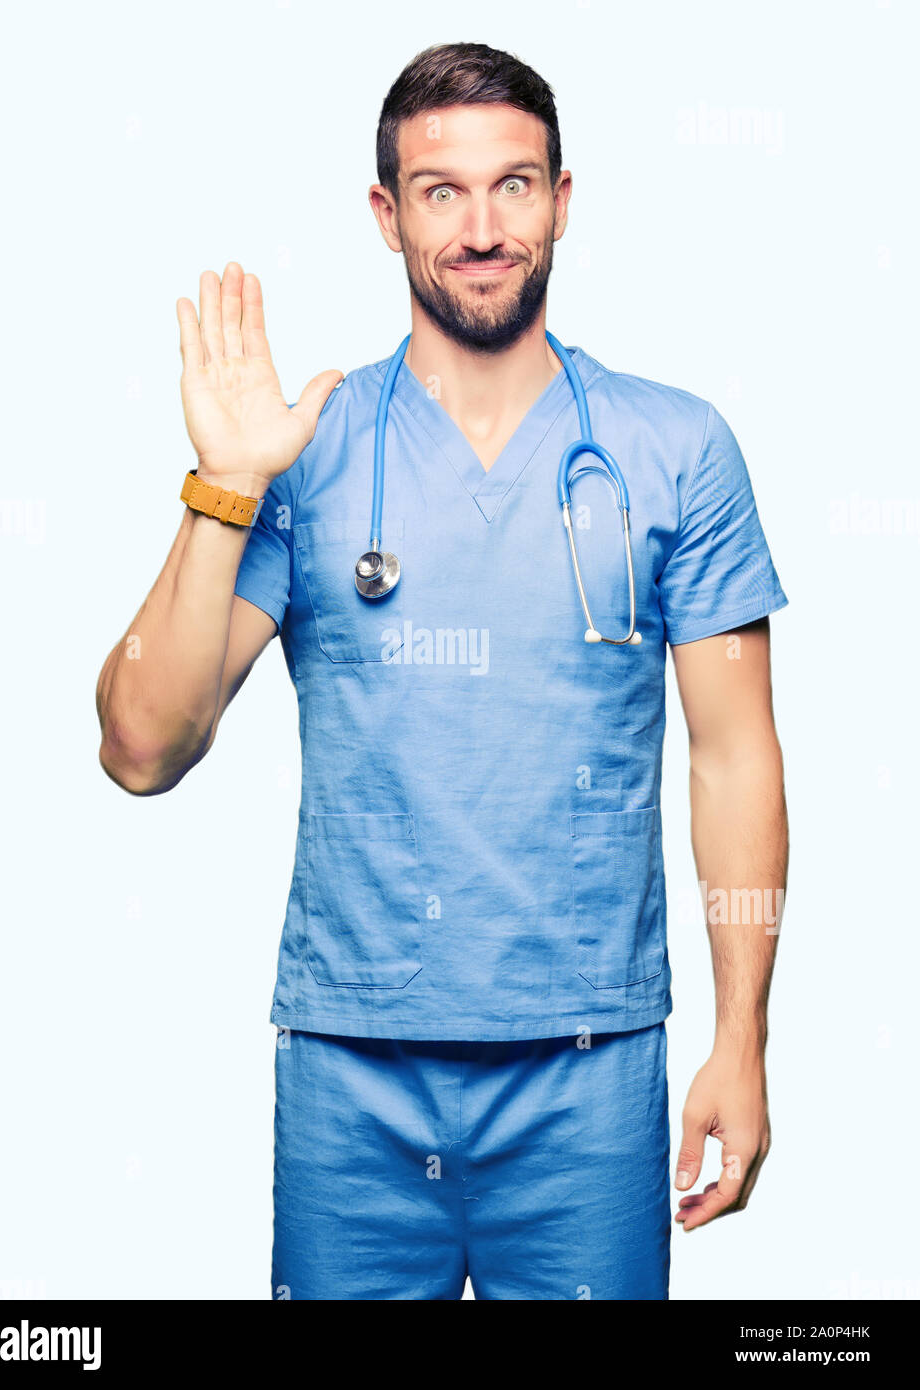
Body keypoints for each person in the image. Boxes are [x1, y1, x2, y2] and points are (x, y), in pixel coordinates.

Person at [96, 41, 788, 1301]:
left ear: (563, 202)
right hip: (349, 1079)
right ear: (386, 214)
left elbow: (734, 753)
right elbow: (143, 747)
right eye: (441, 192)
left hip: (587, 1072)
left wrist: (741, 1037)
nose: (481, 228)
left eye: (514, 186)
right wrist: (227, 488)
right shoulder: (304, 453)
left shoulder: (675, 448)